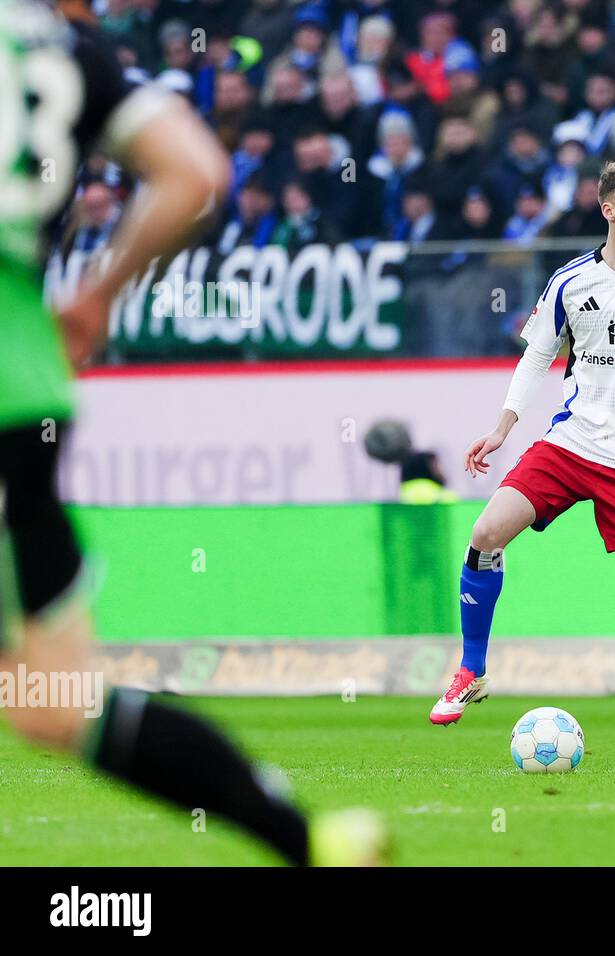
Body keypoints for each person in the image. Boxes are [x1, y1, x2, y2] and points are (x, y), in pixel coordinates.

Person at [0, 0, 386, 864]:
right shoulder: (63, 51)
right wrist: (95, 296)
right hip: (25, 394)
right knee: (54, 703)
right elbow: (191, 170)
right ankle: (309, 840)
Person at [427, 159, 615, 773]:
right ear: (608, 209)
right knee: (484, 535)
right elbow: (537, 357)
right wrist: (503, 427)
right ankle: (472, 670)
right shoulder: (570, 282)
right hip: (571, 446)